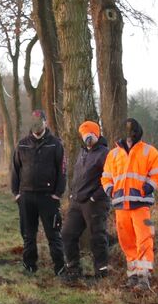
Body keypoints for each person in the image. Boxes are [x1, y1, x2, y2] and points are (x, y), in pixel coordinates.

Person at [101, 117, 158, 289]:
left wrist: (148, 188)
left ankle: (144, 276)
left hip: (140, 204)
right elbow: (106, 176)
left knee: (144, 239)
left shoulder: (149, 152)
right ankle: (133, 275)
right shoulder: (113, 154)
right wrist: (109, 190)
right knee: (126, 241)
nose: (129, 136)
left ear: (138, 133)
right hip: (120, 205)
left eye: (132, 132)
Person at [10, 109, 65, 275]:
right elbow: (15, 169)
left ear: (45, 122)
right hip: (26, 196)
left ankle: (60, 267)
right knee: (28, 234)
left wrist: (57, 194)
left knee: (53, 235)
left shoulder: (55, 144)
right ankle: (29, 265)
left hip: (48, 197)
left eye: (39, 122)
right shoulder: (22, 144)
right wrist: (16, 193)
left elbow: (62, 171)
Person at [60, 120, 111, 282]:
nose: (87, 139)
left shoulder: (105, 153)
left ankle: (101, 272)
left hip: (95, 203)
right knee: (67, 233)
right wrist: (72, 194)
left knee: (97, 236)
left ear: (97, 135)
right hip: (77, 201)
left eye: (90, 136)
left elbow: (111, 179)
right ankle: (73, 268)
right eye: (84, 136)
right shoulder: (82, 152)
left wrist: (95, 196)